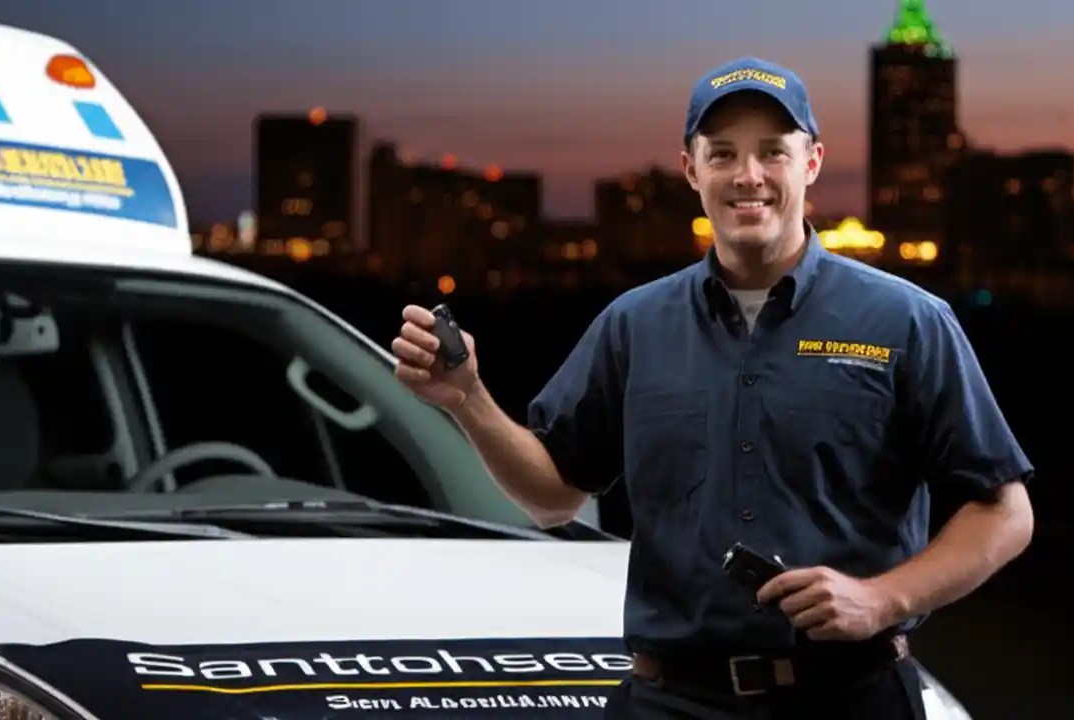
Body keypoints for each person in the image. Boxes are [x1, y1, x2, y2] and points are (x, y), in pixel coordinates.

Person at [392, 55, 1035, 719]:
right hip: (670, 702)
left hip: (850, 698)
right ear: (691, 169)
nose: (748, 175)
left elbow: (1006, 515)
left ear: (811, 162)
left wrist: (882, 598)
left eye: (772, 152)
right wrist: (468, 399)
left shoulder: (907, 320)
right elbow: (553, 497)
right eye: (722, 153)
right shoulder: (635, 325)